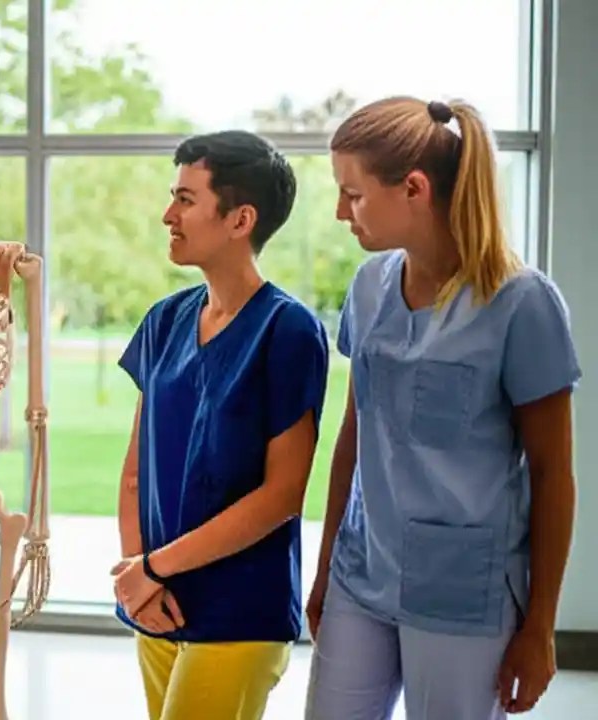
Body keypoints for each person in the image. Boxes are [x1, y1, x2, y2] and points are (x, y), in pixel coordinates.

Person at [305, 97, 580, 719]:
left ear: (414, 188)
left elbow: (552, 475)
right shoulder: (369, 287)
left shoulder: (522, 303)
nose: (340, 212)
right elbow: (353, 436)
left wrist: (539, 628)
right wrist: (324, 570)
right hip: (362, 574)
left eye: (353, 194)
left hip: (465, 594)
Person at [110, 130, 330, 720]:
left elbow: (283, 495)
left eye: (186, 199)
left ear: (240, 220)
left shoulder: (289, 331)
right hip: (157, 603)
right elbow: (136, 472)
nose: (168, 215)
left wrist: (152, 569)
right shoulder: (164, 321)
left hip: (238, 611)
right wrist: (139, 579)